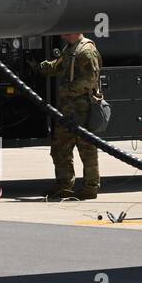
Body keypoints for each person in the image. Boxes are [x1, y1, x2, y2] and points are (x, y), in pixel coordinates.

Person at [39, 33, 103, 200]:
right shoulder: (70, 49)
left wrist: (68, 89)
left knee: (86, 149)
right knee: (60, 148)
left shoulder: (86, 51)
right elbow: (60, 66)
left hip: (82, 110)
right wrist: (43, 67)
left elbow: (90, 80)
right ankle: (64, 185)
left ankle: (91, 187)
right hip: (67, 110)